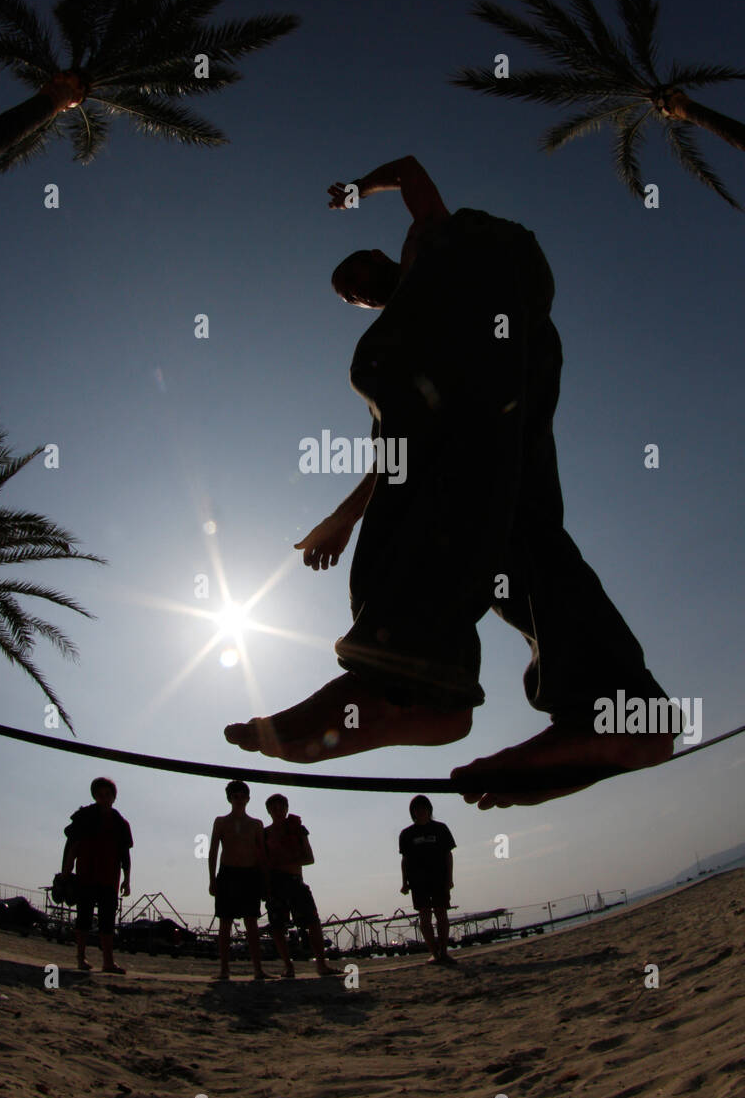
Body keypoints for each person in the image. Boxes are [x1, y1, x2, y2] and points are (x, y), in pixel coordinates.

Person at [226, 155, 676, 808]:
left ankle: (411, 684)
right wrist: (345, 517)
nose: (358, 291)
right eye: (350, 295)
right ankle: (619, 714)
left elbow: (411, 169)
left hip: (485, 291)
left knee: (393, 374)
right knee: (511, 521)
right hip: (506, 356)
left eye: (357, 274)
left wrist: (360, 186)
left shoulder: (432, 246)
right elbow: (406, 449)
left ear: (386, 256)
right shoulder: (455, 343)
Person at [62, 776, 132, 975]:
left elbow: (125, 854)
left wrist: (127, 879)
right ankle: (80, 957)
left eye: (108, 795)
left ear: (113, 797)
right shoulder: (85, 816)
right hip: (87, 874)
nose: (104, 798)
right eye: (100, 795)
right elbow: (74, 845)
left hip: (109, 877)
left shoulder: (120, 823)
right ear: (95, 796)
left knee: (107, 921)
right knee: (83, 917)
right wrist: (68, 868)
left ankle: (108, 961)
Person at [263, 793, 336, 977]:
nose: (278, 811)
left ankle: (321, 964)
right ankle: (288, 966)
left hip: (295, 882)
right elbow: (262, 861)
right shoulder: (265, 834)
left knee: (312, 922)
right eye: (274, 808)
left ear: (286, 809)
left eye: (281, 808)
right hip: (275, 883)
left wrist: (284, 861)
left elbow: (309, 858)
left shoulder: (297, 829)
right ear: (269, 811)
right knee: (277, 926)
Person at [208, 780, 267, 981]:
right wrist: (211, 879)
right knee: (225, 921)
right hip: (227, 874)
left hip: (250, 875)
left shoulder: (256, 824)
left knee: (251, 922)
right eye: (235, 796)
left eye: (242, 796)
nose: (239, 799)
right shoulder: (221, 821)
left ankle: (258, 969)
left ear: (248, 798)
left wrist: (263, 880)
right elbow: (213, 850)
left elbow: (261, 854)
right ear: (230, 798)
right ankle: (224, 969)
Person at [399, 795, 456, 964]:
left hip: (439, 877)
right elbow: (405, 859)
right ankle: (434, 953)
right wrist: (404, 882)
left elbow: (448, 854)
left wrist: (450, 878)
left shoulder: (441, 828)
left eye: (424, 808)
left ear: (429, 810)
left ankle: (444, 951)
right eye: (417, 809)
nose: (421, 812)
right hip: (418, 881)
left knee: (441, 913)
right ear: (413, 812)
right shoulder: (406, 834)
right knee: (424, 917)